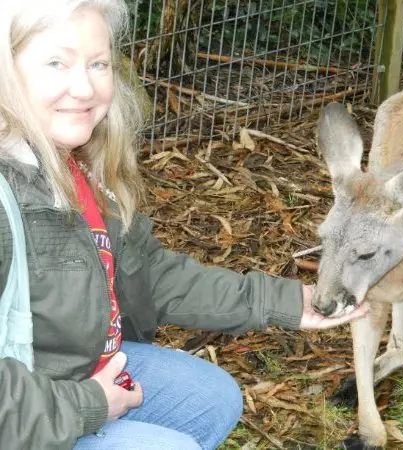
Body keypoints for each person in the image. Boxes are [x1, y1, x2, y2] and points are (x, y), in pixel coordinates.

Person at [0, 1, 368, 449]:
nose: (84, 87)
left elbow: (150, 275)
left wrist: (286, 302)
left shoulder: (77, 167)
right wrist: (88, 405)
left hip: (73, 374)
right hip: (27, 411)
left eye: (98, 63)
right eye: (56, 62)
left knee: (211, 399)